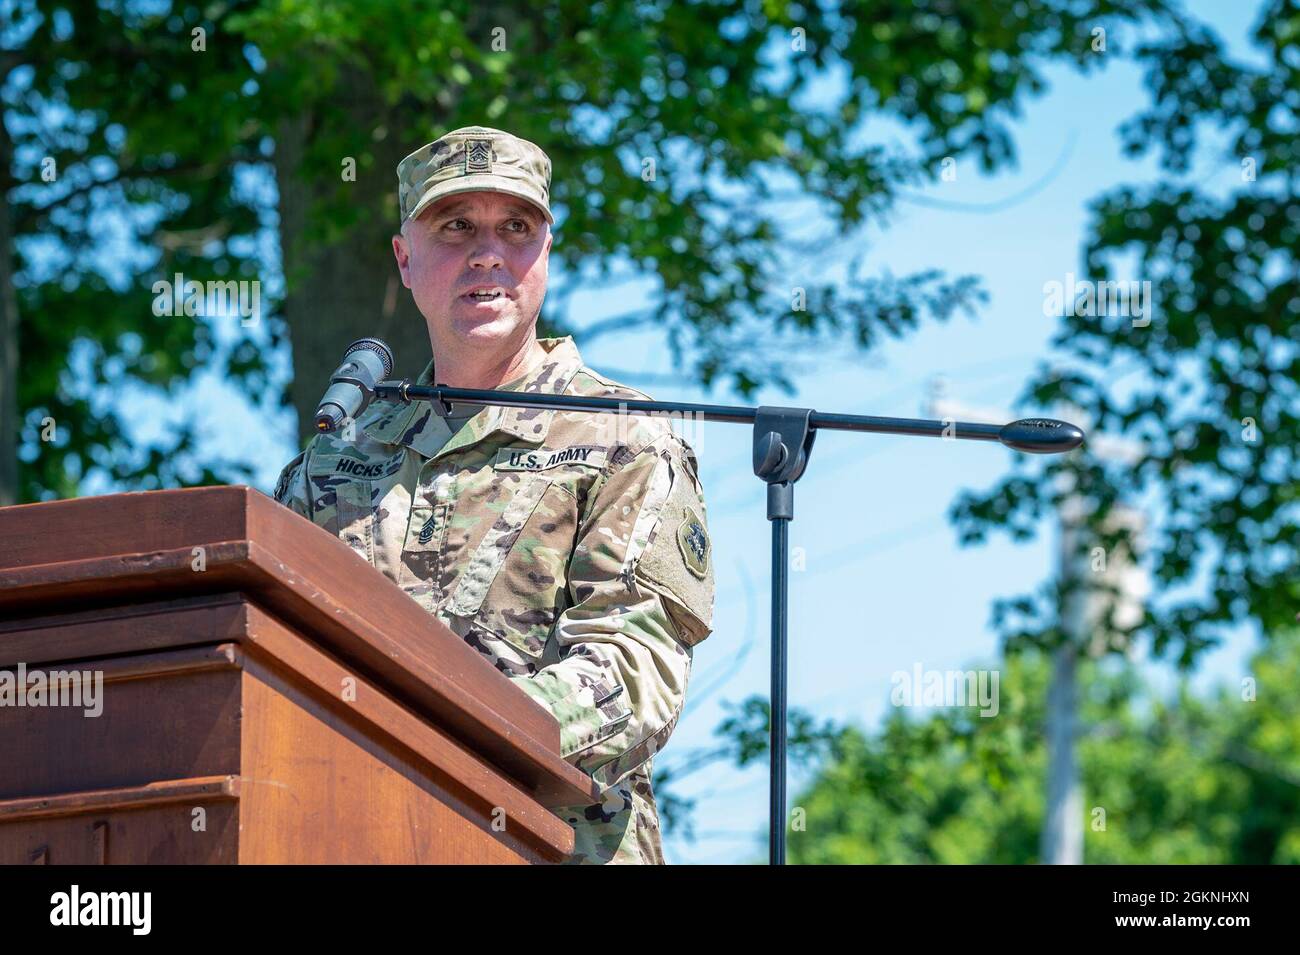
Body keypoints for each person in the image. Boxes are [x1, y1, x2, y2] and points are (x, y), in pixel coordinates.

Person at [272, 125, 715, 864]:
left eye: (517, 226)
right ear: (405, 260)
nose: (488, 252)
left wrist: (451, 737)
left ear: (546, 253)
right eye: (457, 226)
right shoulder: (332, 465)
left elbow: (634, 672)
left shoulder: (624, 440)